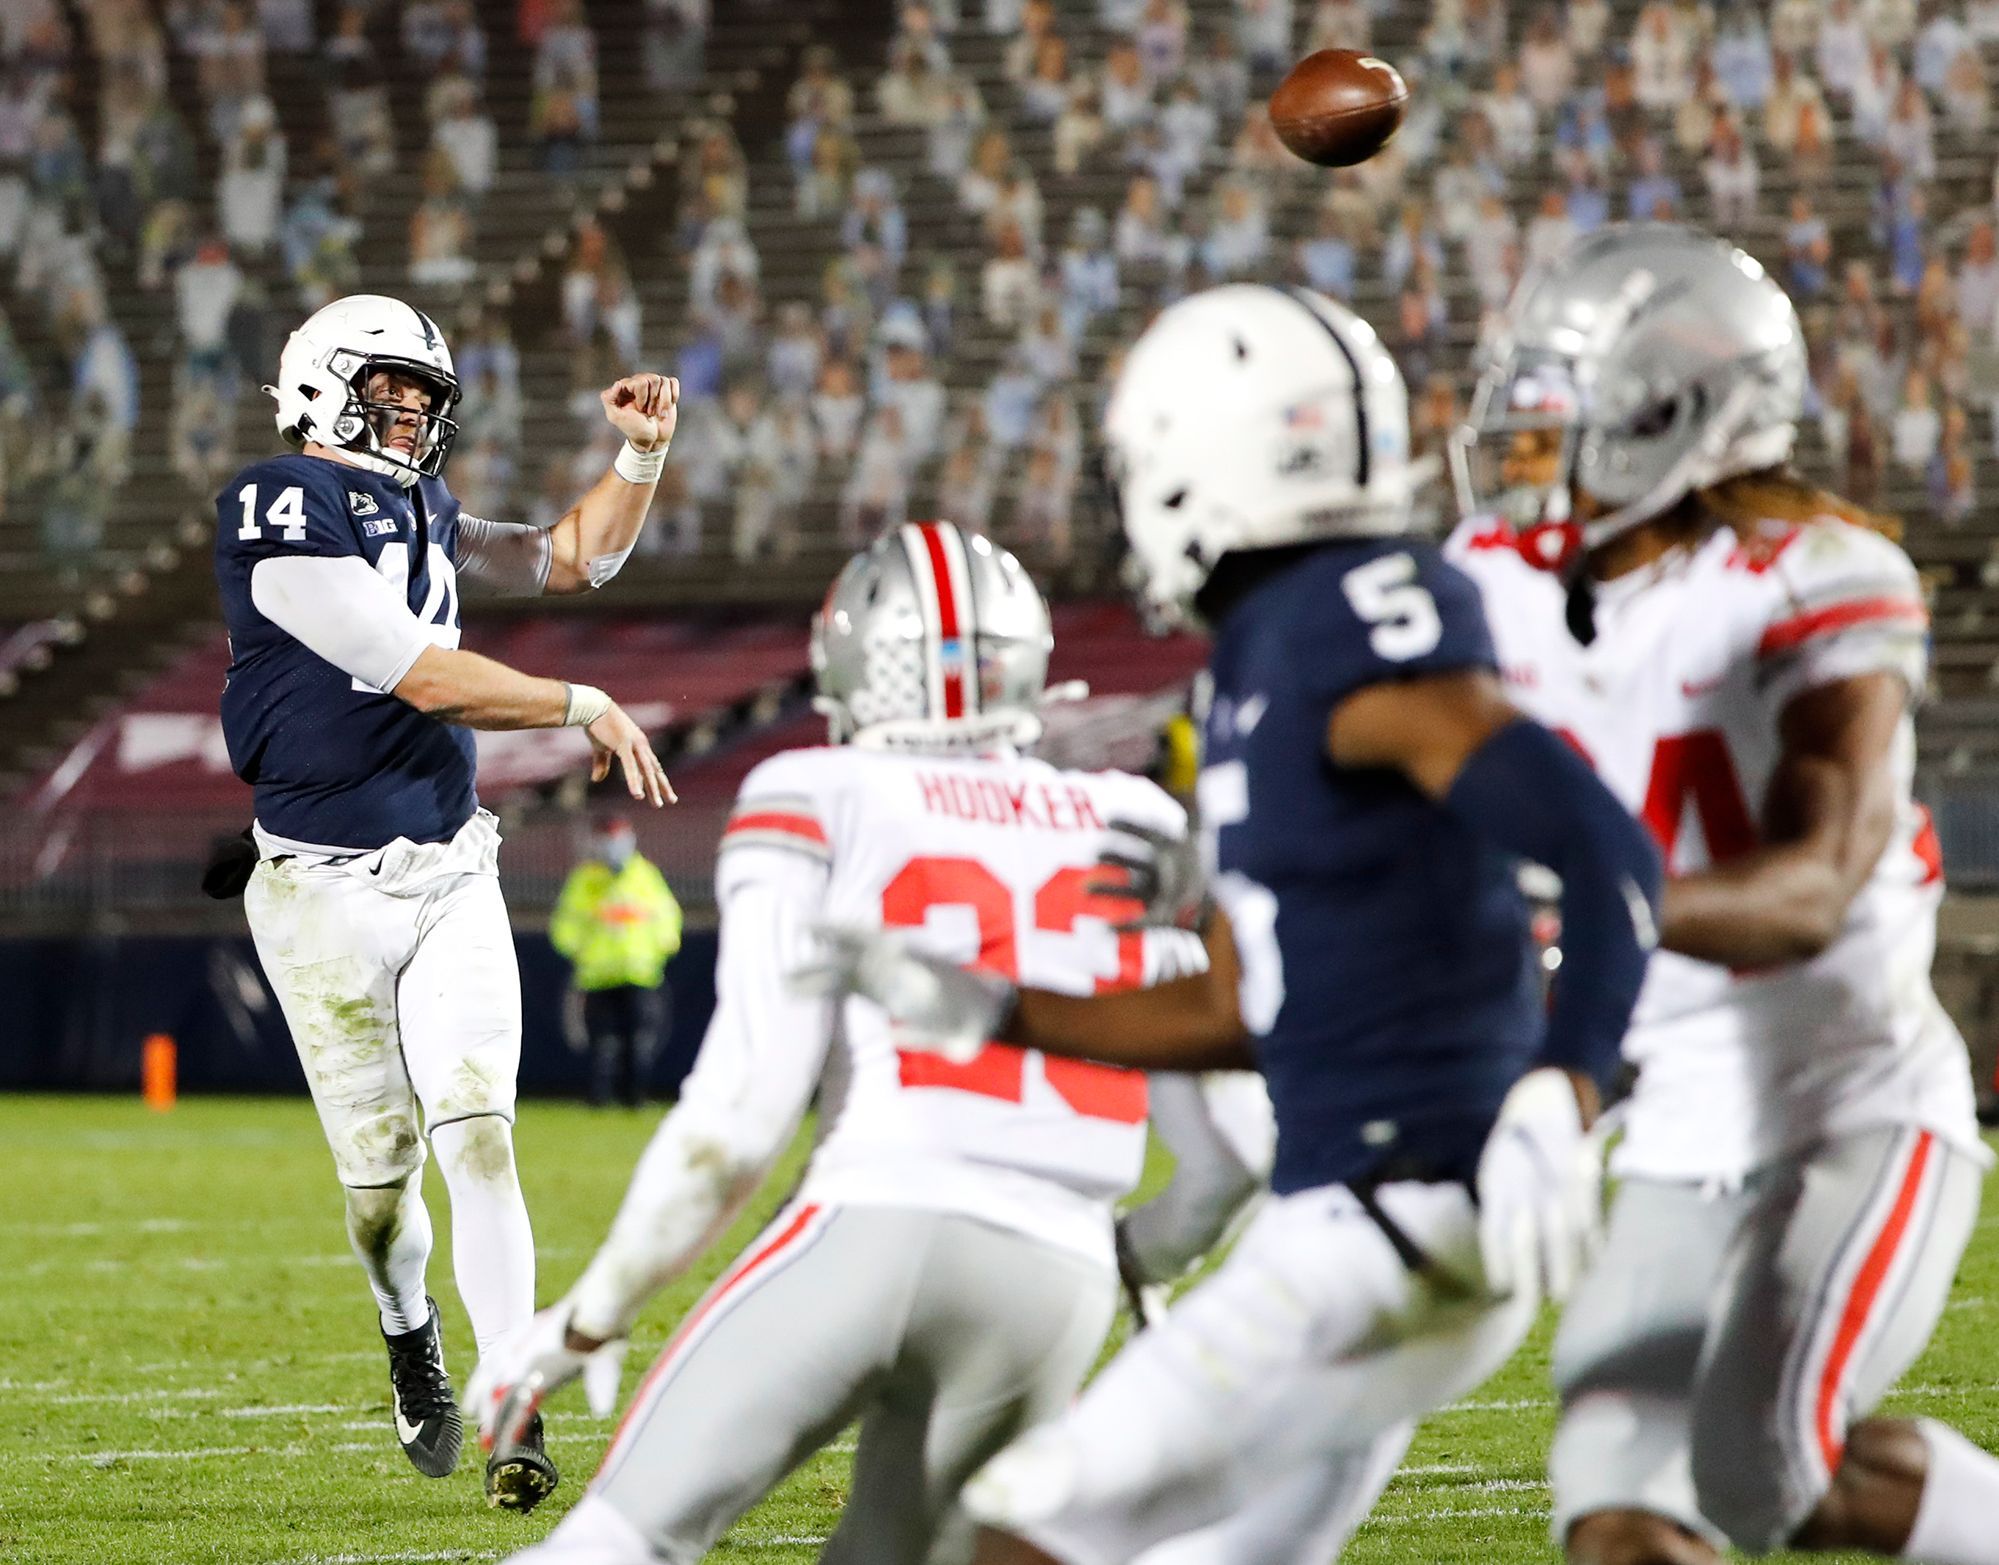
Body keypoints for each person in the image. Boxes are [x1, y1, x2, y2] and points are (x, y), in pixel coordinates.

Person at [793, 283, 1666, 1565]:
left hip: (1380, 1210)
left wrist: (1567, 1079)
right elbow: (1235, 1010)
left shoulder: (1338, 616)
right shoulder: (1266, 648)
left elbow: (1605, 852)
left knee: (1008, 1530)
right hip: (1384, 1214)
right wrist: (1000, 1010)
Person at [468, 522, 1207, 1565]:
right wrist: (1138, 1252)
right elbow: (1237, 1150)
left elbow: (740, 1113)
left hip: (882, 1214)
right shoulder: (1136, 818)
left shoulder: (817, 788)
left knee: (621, 1541)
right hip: (1062, 1268)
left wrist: (587, 1318)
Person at [1447, 222, 1999, 1565]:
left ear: (1667, 412)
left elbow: (1809, 886)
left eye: (1559, 416)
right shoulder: (1494, 583)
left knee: (1767, 1463)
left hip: (1846, 1104)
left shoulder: (1812, 574)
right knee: (1617, 1520)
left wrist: (1586, 907)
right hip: (1670, 1125)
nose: (1522, 452)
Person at [212, 293, 678, 1512]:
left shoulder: (420, 503)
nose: (412, 413)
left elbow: (573, 554)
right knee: (380, 1197)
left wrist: (640, 454)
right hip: (317, 890)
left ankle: (512, 1394)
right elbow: (412, 669)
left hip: (447, 865)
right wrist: (582, 701)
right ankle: (404, 1317)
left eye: (425, 395)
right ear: (319, 384)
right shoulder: (278, 500)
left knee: (479, 1129)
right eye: (389, 389)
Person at [550, 816, 684, 1107]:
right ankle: (599, 1100)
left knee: (639, 1043)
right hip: (597, 976)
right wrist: (579, 950)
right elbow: (565, 925)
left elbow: (667, 918)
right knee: (603, 1044)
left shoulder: (645, 875)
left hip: (640, 973)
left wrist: (662, 947)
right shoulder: (585, 880)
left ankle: (634, 1099)